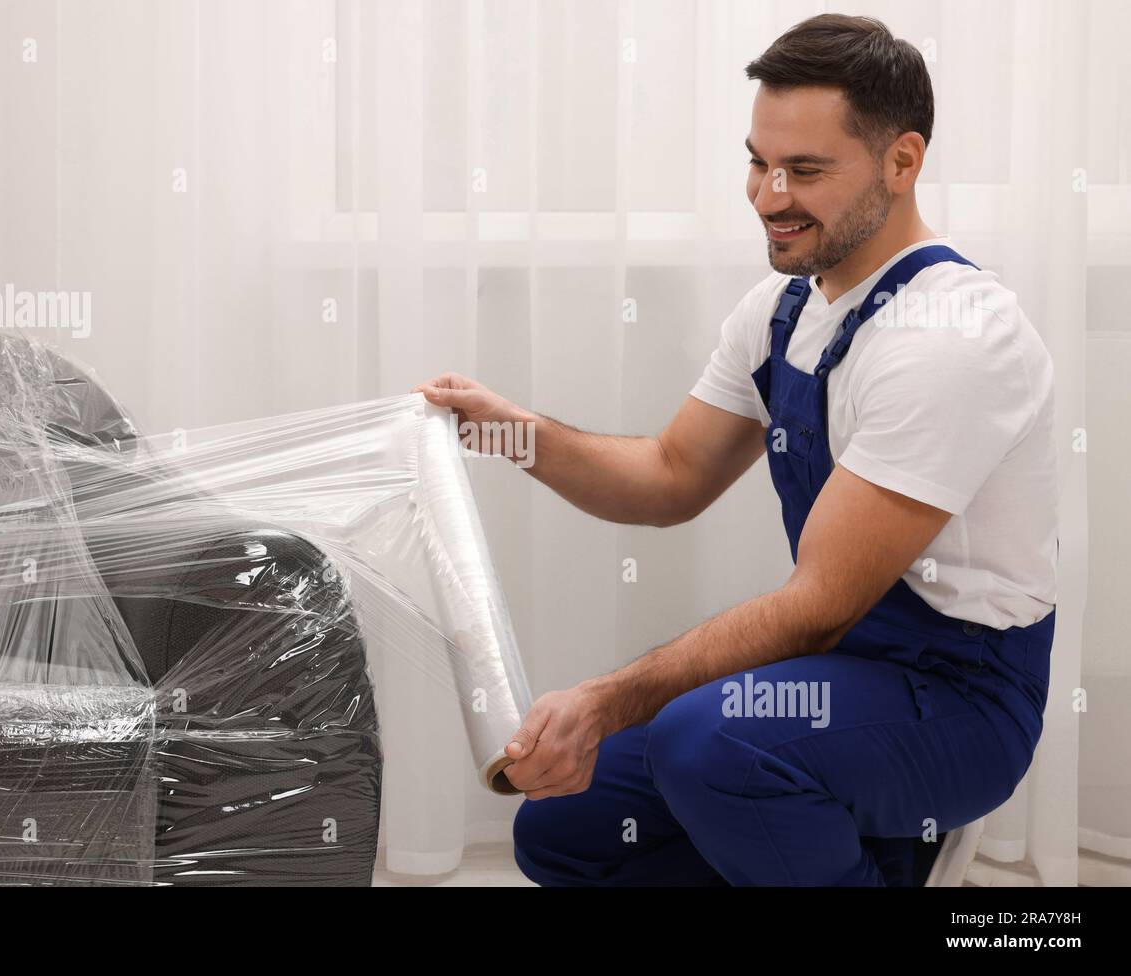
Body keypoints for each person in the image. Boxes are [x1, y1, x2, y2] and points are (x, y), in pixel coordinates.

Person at [412, 13, 1057, 886]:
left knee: (707, 743)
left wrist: (601, 704)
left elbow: (818, 605)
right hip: (844, 678)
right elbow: (670, 477)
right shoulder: (783, 311)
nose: (768, 195)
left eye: (806, 170)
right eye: (758, 161)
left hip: (959, 702)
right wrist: (503, 430)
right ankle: (860, 852)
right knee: (565, 827)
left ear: (902, 162)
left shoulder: (952, 336)